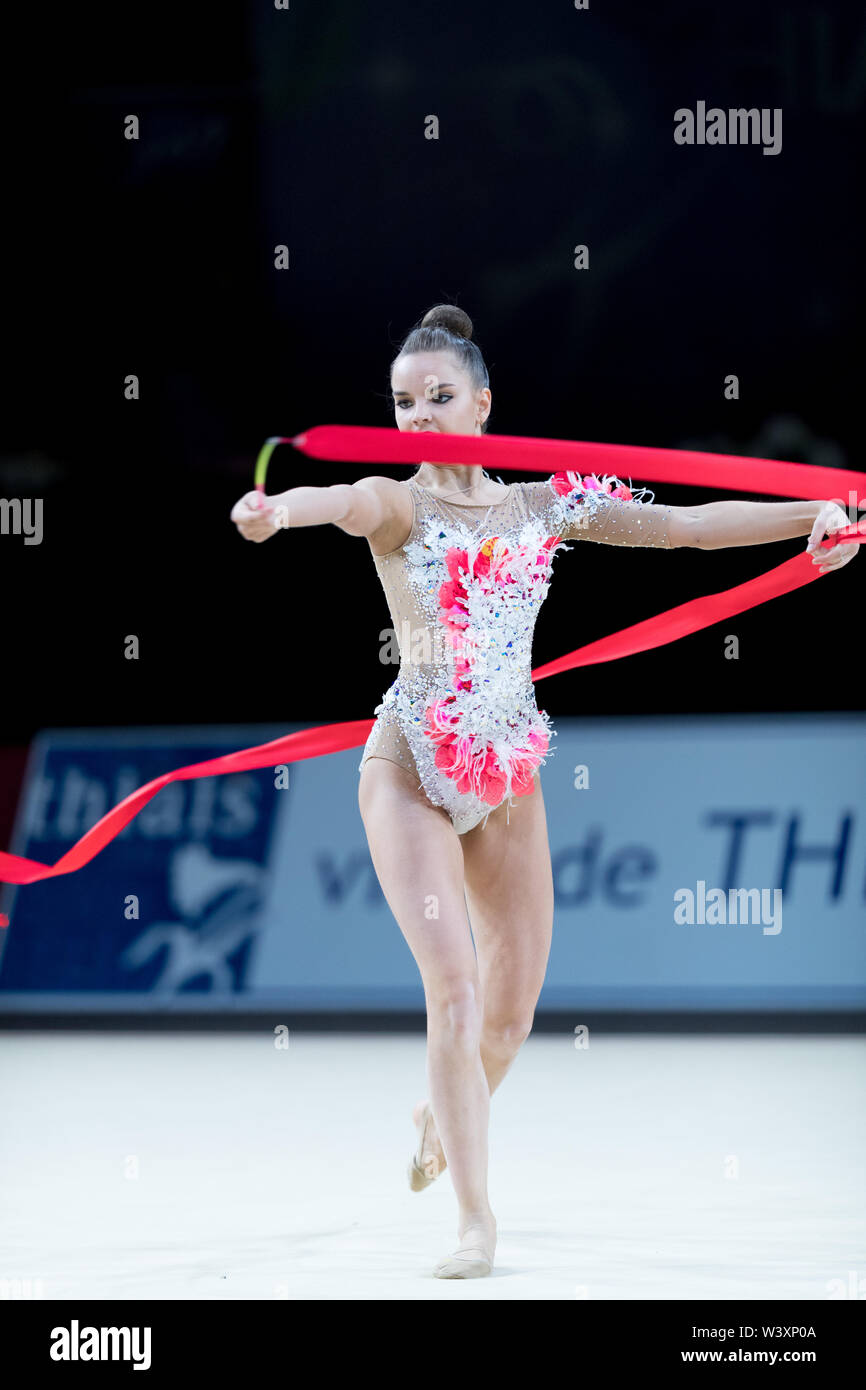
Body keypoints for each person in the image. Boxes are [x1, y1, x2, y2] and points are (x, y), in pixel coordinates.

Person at [231, 304, 856, 1279]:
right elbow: (342, 500)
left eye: (440, 397)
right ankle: (474, 1220)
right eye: (404, 402)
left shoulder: (540, 506)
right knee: (454, 985)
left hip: (506, 773)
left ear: (485, 404)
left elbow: (685, 529)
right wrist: (277, 511)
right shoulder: (401, 506)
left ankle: (441, 1110)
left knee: (509, 1020)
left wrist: (810, 522)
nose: (421, 415)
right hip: (409, 768)